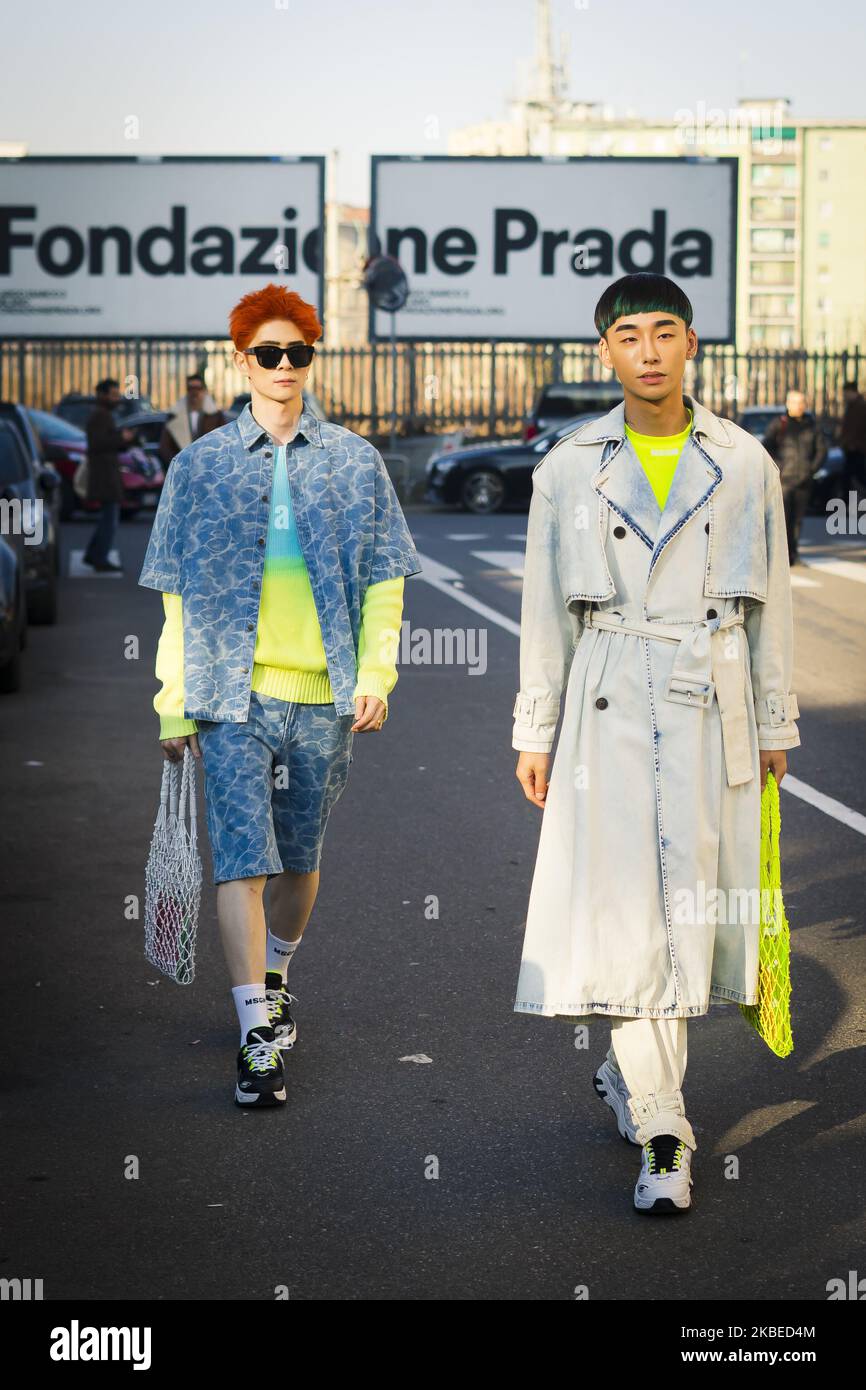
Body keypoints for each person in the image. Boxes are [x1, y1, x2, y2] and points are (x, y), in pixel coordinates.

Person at [512, 271, 800, 1215]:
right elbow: (545, 610)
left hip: (712, 699)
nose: (647, 350)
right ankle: (666, 1126)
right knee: (635, 914)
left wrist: (772, 721)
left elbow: (776, 607)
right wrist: (538, 728)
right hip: (608, 698)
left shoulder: (746, 460)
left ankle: (637, 1085)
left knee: (689, 912)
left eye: (663, 332)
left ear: (689, 346)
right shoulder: (567, 465)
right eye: (627, 335)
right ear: (606, 352)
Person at [139, 283, 421, 1109]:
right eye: (268, 353)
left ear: (311, 358)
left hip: (325, 697)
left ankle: (278, 971)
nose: (284, 366)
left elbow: (385, 582)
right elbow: (175, 595)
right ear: (241, 361)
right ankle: (256, 1031)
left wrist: (375, 677)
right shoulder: (200, 466)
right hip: (230, 696)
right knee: (242, 858)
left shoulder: (355, 463)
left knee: (299, 859)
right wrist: (172, 701)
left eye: (298, 351)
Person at [762, 390, 827, 564]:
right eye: (795, 402)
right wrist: (779, 468)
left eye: (801, 402)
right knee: (782, 519)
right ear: (788, 404)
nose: (798, 406)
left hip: (804, 480)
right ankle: (781, 556)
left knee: (797, 520)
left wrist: (811, 469)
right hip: (784, 480)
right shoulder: (779, 424)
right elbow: (767, 447)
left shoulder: (812, 425)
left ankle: (794, 553)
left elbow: (821, 451)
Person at [83, 379, 135, 572]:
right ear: (102, 396)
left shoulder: (103, 415)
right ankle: (100, 558)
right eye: (113, 395)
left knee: (108, 517)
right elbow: (98, 443)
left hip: (107, 474)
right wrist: (121, 438)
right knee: (109, 519)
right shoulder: (100, 416)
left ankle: (93, 553)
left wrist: (124, 440)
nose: (117, 398)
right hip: (104, 475)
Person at [158, 372, 225, 467]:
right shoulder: (174, 415)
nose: (194, 392)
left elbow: (224, 443)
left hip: (210, 470)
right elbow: (165, 447)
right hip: (183, 471)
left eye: (198, 388)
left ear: (204, 391)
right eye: (191, 389)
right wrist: (177, 465)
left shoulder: (216, 415)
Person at [838, 379, 866, 498]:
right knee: (850, 477)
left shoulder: (860, 407)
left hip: (857, 449)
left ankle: (847, 503)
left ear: (851, 391)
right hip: (851, 448)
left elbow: (856, 428)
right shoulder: (852, 406)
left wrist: (853, 443)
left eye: (846, 393)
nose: (844, 396)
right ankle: (847, 503)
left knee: (856, 476)